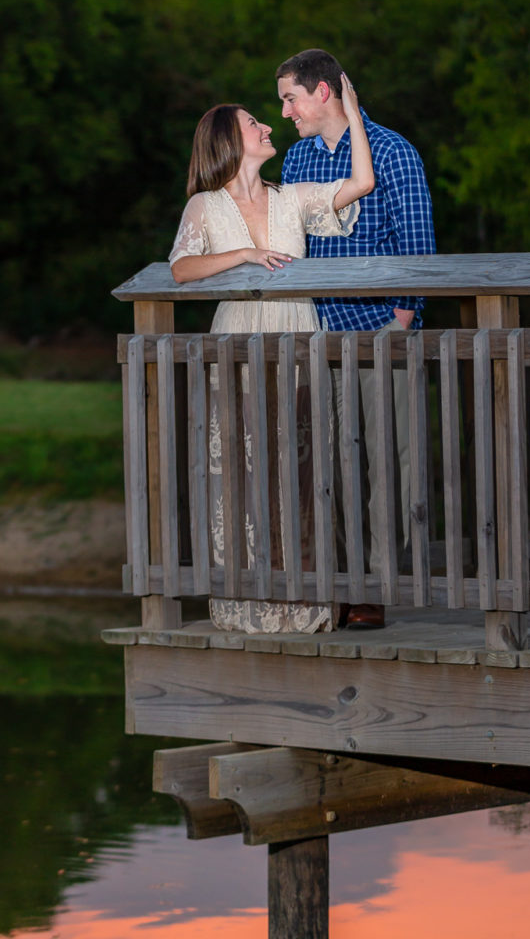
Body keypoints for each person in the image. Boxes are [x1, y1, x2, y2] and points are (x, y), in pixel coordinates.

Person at [169, 84, 374, 633]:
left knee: (301, 479)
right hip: (237, 352)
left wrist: (351, 114)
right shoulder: (205, 206)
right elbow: (182, 269)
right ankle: (249, 602)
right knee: (242, 478)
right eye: (255, 123)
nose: (267, 127)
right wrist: (243, 256)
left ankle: (303, 605)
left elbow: (362, 183)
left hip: (297, 345)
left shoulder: (292, 198)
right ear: (230, 143)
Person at [277, 48, 435, 630]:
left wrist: (401, 322)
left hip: (382, 334)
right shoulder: (295, 162)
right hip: (321, 338)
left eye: (291, 98)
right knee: (332, 469)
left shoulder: (392, 151)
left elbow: (417, 244)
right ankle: (341, 585)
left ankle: (378, 587)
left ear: (323, 92)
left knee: (388, 467)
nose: (287, 112)